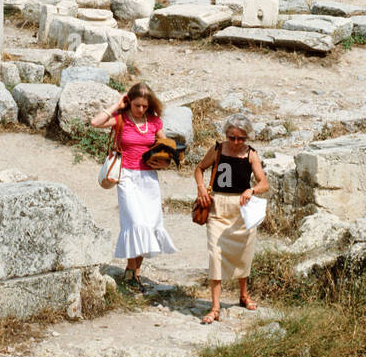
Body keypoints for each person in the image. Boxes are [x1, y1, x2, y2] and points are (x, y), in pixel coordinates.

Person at [91, 83, 175, 288]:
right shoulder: (121, 118)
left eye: (145, 106)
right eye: (137, 105)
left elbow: (168, 148)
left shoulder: (154, 121)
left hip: (149, 178)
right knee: (135, 223)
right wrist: (116, 105)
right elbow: (95, 122)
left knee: (149, 224)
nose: (141, 110)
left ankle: (135, 272)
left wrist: (166, 159)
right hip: (126, 176)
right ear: (130, 102)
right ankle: (130, 269)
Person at [193, 116, 270, 324]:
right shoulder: (218, 149)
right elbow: (199, 169)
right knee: (215, 255)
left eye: (241, 138)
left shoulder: (251, 154)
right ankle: (215, 307)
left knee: (243, 254)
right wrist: (201, 189)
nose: (236, 142)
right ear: (226, 135)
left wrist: (251, 189)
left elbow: (264, 182)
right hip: (217, 208)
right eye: (232, 137)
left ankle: (243, 295)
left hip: (241, 210)